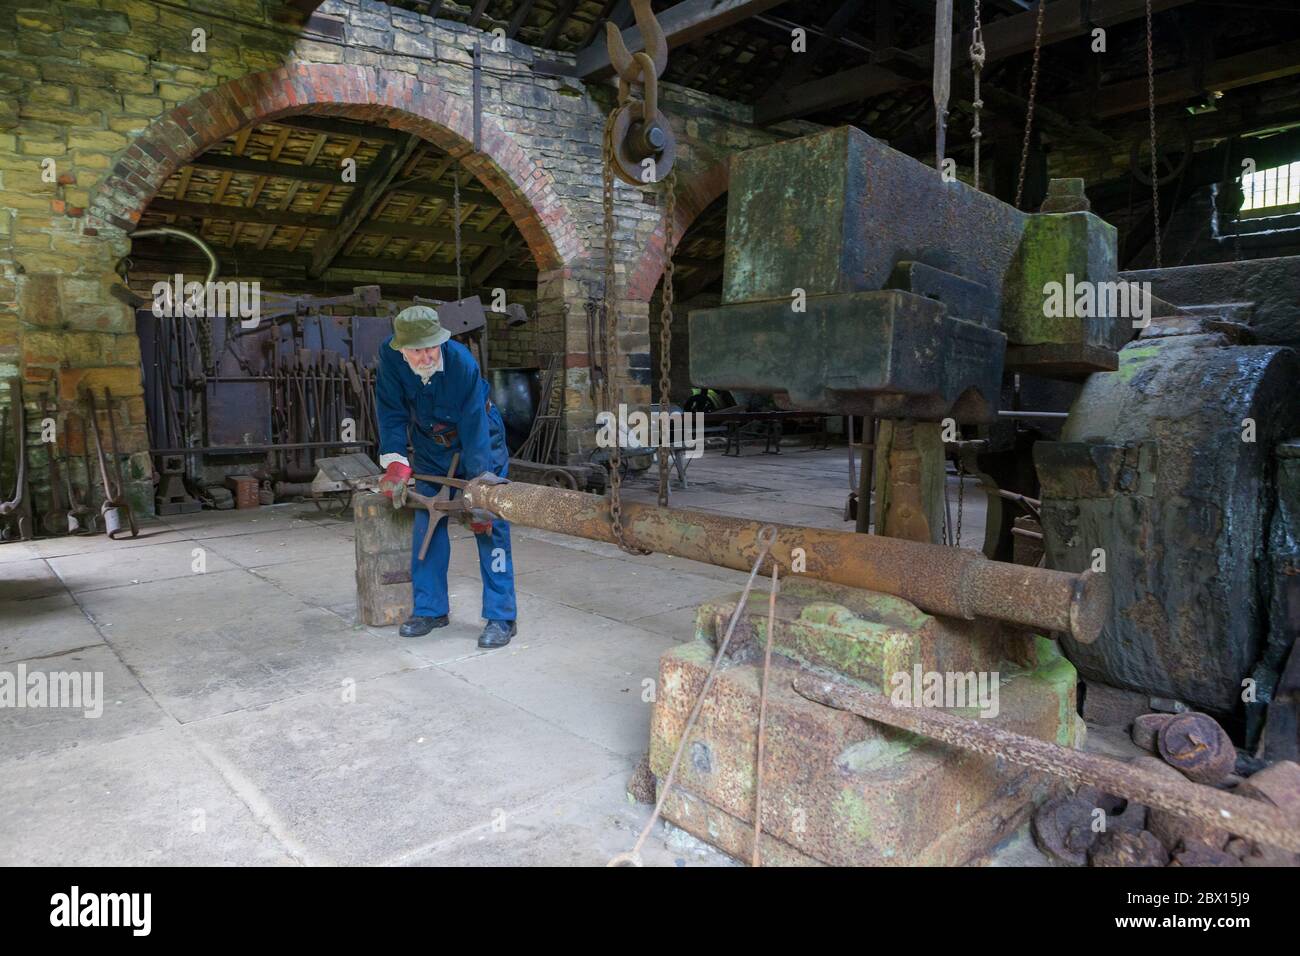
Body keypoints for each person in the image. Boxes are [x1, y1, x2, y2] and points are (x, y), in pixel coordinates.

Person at [374, 305, 517, 648]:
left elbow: (474, 425)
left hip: (480, 438)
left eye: (430, 348)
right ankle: (430, 609)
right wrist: (395, 463)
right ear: (400, 347)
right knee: (428, 520)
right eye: (416, 350)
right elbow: (391, 410)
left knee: (489, 522)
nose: (424, 357)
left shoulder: (462, 363)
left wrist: (479, 487)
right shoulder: (390, 358)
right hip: (429, 445)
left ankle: (502, 616)